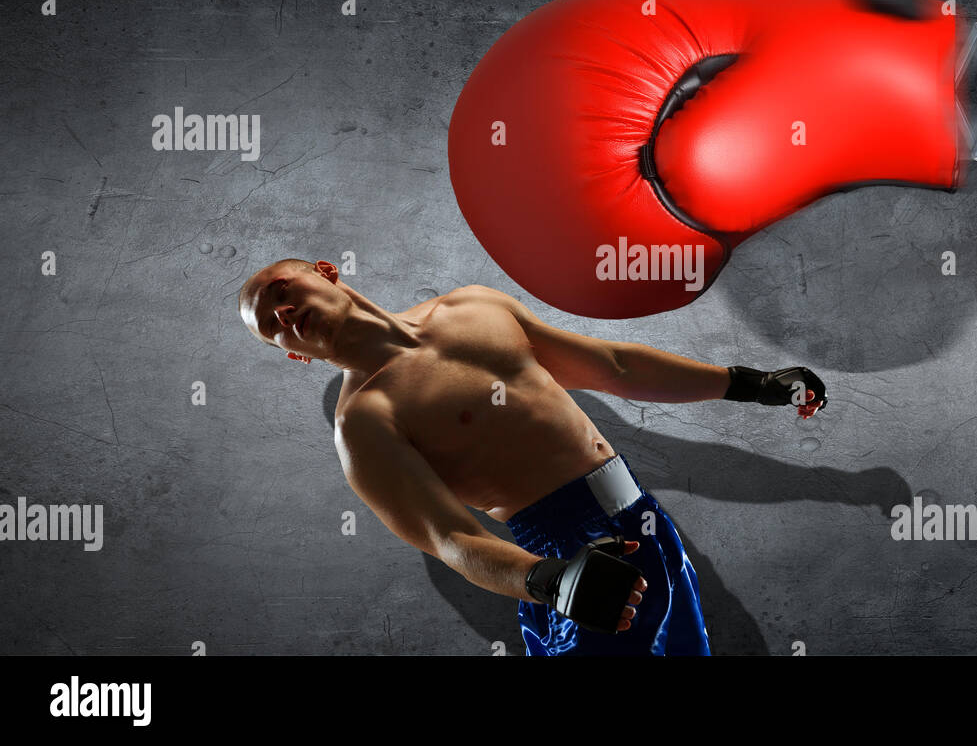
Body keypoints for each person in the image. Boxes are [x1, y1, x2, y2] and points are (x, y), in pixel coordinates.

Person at [237, 258, 828, 655]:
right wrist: (551, 581)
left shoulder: (474, 308)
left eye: (282, 294)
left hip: (645, 525)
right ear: (293, 356)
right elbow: (449, 540)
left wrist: (752, 383)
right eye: (274, 328)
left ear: (325, 272)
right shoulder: (365, 422)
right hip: (569, 558)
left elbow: (615, 366)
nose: (285, 316)